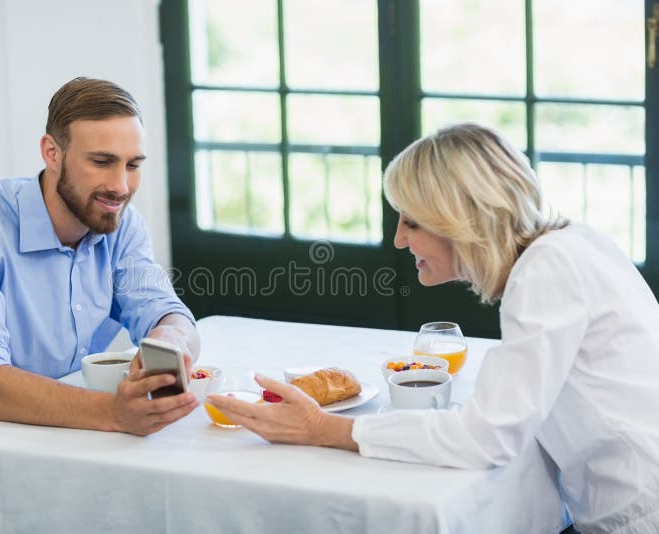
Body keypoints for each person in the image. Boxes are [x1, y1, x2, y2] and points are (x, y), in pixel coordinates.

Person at [207, 123, 659, 532]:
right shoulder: (573, 242)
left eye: (412, 222)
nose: (399, 239)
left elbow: (488, 437)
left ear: (463, 218)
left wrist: (325, 429)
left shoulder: (546, 271)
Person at [0, 77, 200, 470]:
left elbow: (164, 310)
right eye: (101, 162)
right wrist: (112, 413)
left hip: (63, 445)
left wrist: (169, 341)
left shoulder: (121, 223)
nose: (121, 186)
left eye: (133, 165)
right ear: (52, 153)